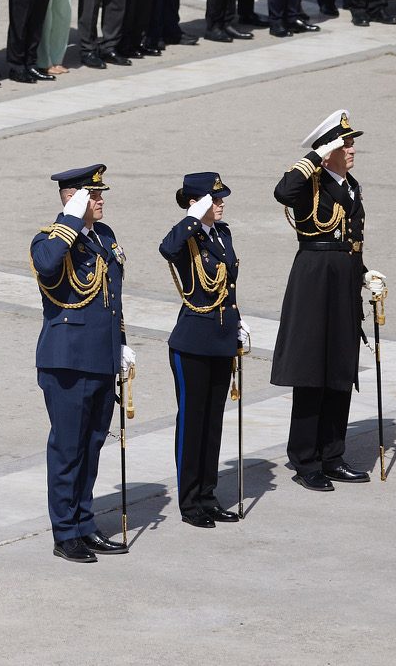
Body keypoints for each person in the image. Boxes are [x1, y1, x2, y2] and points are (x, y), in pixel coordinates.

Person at [29, 164, 130, 563]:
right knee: (68, 449)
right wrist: (69, 218)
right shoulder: (49, 240)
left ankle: (85, 524)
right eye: (93, 195)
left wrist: (120, 344)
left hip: (100, 358)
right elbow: (49, 265)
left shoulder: (104, 236)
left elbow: (112, 299)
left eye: (100, 193)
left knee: (92, 447)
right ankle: (65, 532)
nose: (101, 199)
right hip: (67, 363)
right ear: (73, 198)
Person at [271, 109, 371, 491]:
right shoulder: (309, 185)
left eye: (350, 142)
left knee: (340, 368)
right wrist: (314, 157)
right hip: (314, 277)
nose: (351, 149)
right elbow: (282, 191)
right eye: (344, 143)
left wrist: (363, 274)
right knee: (312, 371)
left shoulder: (352, 186)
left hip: (343, 278)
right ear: (326, 150)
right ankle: (306, 459)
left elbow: (353, 236)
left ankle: (333, 453)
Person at [159, 172, 245, 528]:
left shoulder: (222, 234)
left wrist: (237, 321)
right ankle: (190, 501)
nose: (221, 203)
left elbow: (229, 281)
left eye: (221, 198)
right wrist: (193, 216)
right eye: (214, 199)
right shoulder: (188, 237)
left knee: (212, 424)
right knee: (192, 424)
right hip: (192, 343)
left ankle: (208, 496)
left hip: (221, 338)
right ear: (197, 204)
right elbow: (167, 249)